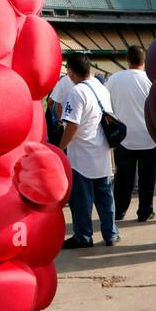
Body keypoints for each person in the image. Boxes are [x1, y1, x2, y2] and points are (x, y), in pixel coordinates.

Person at [59, 51, 118, 249]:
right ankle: (110, 234)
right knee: (105, 197)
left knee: (82, 201)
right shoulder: (101, 88)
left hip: (81, 155)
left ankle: (83, 236)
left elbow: (72, 126)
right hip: (101, 150)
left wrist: (60, 148)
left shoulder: (76, 92)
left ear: (70, 72)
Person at [107, 45, 156, 223]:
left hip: (123, 137)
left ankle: (119, 211)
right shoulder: (151, 80)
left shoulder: (114, 79)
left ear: (127, 60)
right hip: (149, 137)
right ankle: (145, 211)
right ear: (144, 61)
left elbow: (107, 107)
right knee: (147, 179)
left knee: (123, 178)